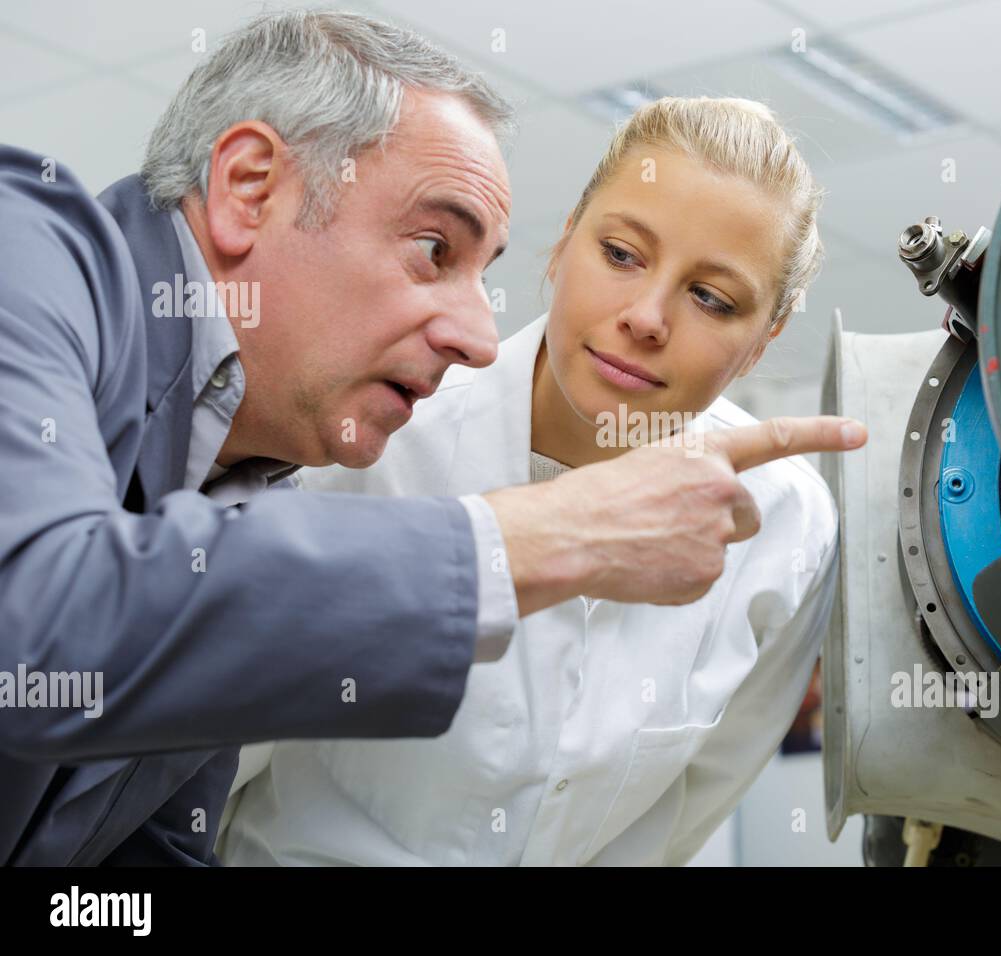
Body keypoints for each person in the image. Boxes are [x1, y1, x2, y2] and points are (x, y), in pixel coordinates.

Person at [0, 12, 864, 866]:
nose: (476, 338)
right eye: (431, 248)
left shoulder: (250, 466)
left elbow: (137, 850)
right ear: (250, 185)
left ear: (765, 336)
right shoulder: (26, 251)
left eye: (714, 299)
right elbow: (38, 628)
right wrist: (552, 536)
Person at [221, 97, 840, 866]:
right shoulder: (367, 441)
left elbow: (678, 820)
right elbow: (205, 773)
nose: (647, 316)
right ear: (562, 242)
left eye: (712, 299)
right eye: (621, 254)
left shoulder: (785, 525)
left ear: (763, 341)